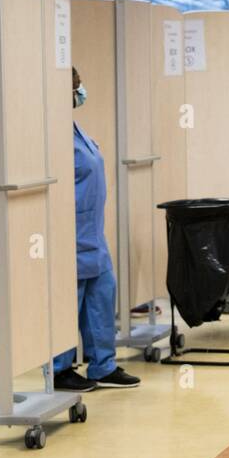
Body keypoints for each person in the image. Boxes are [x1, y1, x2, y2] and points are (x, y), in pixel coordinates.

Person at [52, 68, 141, 392]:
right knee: (67, 301)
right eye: (76, 86)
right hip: (70, 231)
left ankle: (102, 365)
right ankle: (59, 370)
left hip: (92, 232)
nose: (81, 91)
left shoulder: (73, 127)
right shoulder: (51, 132)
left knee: (102, 295)